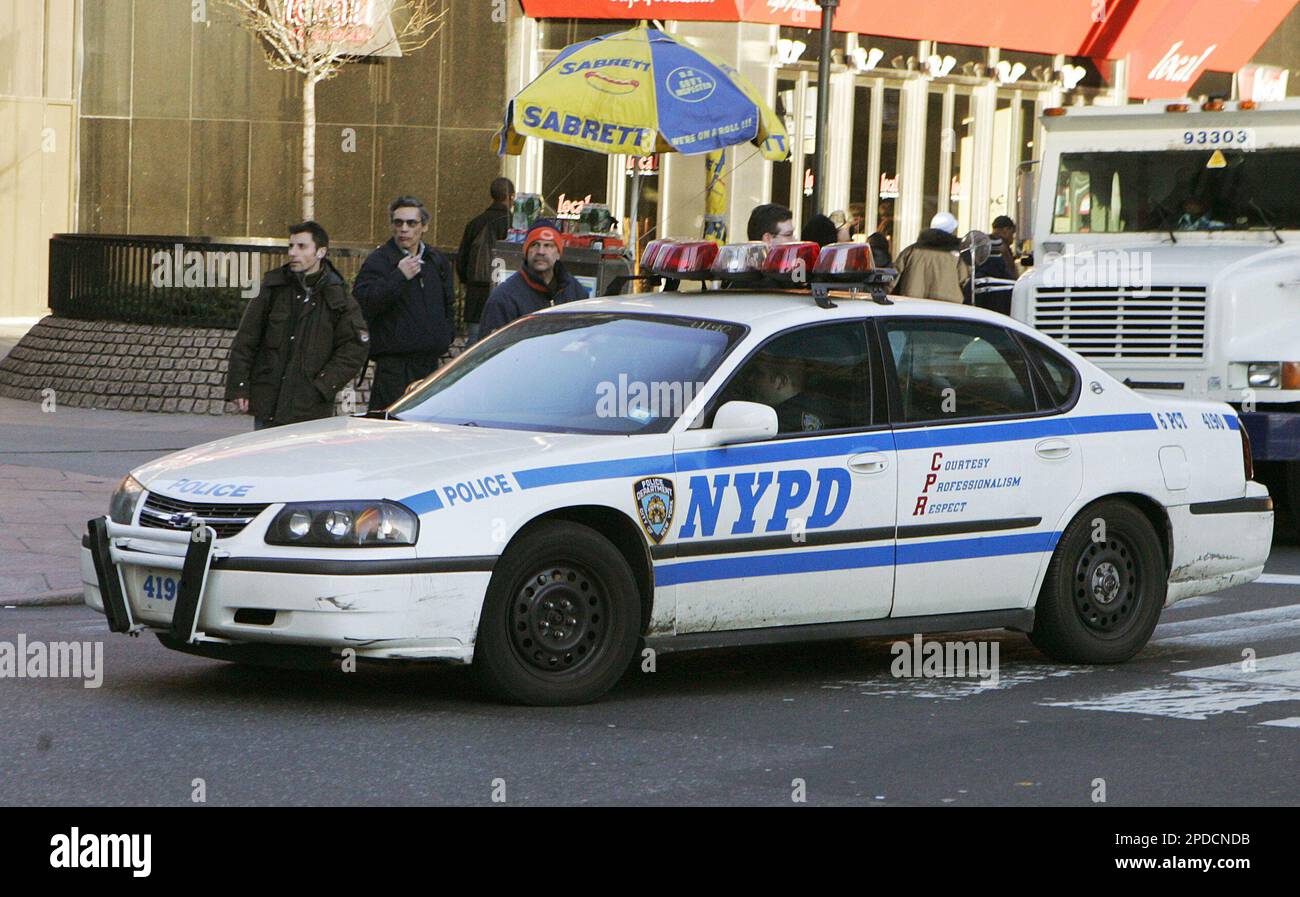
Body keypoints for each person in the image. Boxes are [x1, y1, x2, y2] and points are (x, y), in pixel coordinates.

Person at [225, 221, 369, 429]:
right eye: (291, 246)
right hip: (269, 402)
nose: (293, 253)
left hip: (309, 408)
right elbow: (247, 338)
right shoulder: (273, 287)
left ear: (320, 252)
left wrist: (323, 385)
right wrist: (239, 387)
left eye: (301, 247)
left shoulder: (337, 297)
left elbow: (355, 347)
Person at [354, 196, 456, 409]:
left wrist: (446, 336)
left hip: (429, 364)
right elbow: (363, 303)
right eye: (398, 223)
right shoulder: (380, 261)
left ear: (424, 226)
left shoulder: (436, 261)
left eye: (411, 223)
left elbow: (449, 304)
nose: (404, 229)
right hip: (394, 366)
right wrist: (398, 276)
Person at [478, 223, 588, 339]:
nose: (541, 251)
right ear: (526, 251)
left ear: (558, 253)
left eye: (548, 245)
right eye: (535, 245)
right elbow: (493, 350)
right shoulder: (504, 298)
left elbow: (585, 339)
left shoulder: (576, 292)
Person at [456, 177, 515, 342]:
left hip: (476, 292)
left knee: (475, 342)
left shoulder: (475, 223)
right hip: (506, 291)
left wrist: (467, 282)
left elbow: (462, 260)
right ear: (511, 197)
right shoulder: (514, 224)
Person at [891, 211, 969, 304]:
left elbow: (892, 279)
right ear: (952, 230)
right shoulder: (958, 255)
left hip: (913, 307)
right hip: (948, 310)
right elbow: (966, 282)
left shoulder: (911, 251)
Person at [868, 201, 894, 268]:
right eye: (882, 216)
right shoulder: (885, 224)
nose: (883, 218)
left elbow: (879, 235)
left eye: (886, 215)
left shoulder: (886, 224)